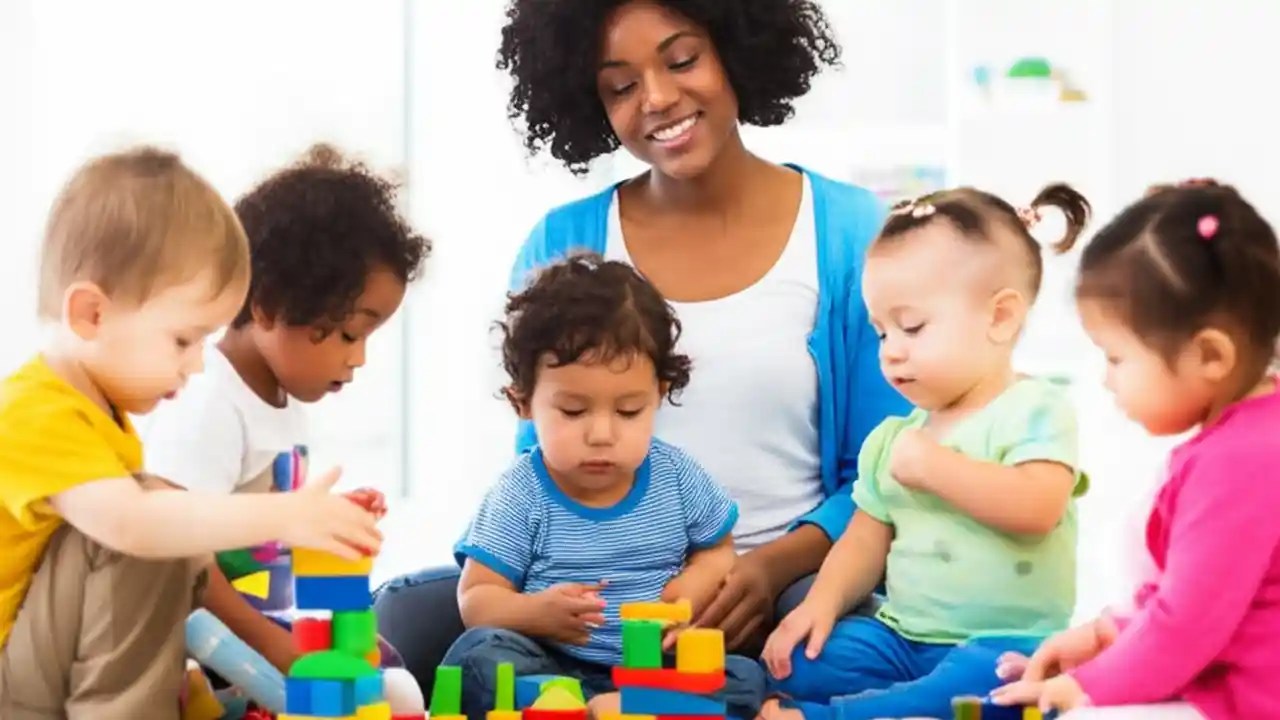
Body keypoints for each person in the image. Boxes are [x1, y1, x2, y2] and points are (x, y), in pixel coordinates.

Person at [376, 0, 908, 692]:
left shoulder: (851, 232)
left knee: (826, 650)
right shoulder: (565, 241)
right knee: (403, 622)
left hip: (783, 580)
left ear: (734, 47)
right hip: (592, 599)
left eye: (682, 60)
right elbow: (538, 459)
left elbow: (881, 470)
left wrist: (766, 569)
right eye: (620, 86)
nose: (658, 99)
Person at [0, 148, 382, 719]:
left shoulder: (96, 413)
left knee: (161, 513)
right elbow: (133, 524)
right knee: (153, 513)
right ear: (91, 315)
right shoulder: (36, 412)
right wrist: (285, 516)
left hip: (33, 655)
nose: (198, 364)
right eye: (183, 340)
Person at [758, 184, 1092, 720]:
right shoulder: (894, 436)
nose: (891, 351)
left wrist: (939, 469)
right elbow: (864, 539)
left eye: (911, 327)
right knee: (805, 658)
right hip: (901, 637)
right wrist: (819, 606)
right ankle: (881, 702)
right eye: (881, 331)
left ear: (1000, 318)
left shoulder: (1034, 409)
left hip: (1002, 641)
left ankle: (838, 715)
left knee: (999, 682)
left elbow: (1037, 509)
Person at [141, 145, 430, 710]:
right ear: (269, 306)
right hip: (201, 638)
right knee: (374, 695)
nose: (360, 359)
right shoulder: (208, 402)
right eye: (348, 335)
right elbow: (176, 558)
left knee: (387, 669)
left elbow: (256, 535)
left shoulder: (279, 395)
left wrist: (322, 520)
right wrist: (277, 646)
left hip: (255, 627)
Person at [992, 180, 1280, 719]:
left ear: (1210, 356)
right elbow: (1203, 602)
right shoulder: (1249, 440)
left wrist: (1086, 688)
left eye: (1117, 358)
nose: (1106, 381)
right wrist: (1108, 633)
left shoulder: (1241, 461)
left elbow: (1190, 624)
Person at [442, 255, 765, 720]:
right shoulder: (520, 492)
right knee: (479, 655)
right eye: (573, 411)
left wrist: (693, 587)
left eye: (629, 411)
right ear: (523, 403)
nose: (601, 434)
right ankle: (586, 708)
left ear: (660, 391)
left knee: (745, 677)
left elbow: (718, 550)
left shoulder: (675, 475)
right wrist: (536, 614)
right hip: (554, 664)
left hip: (657, 665)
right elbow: (476, 599)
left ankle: (621, 707)